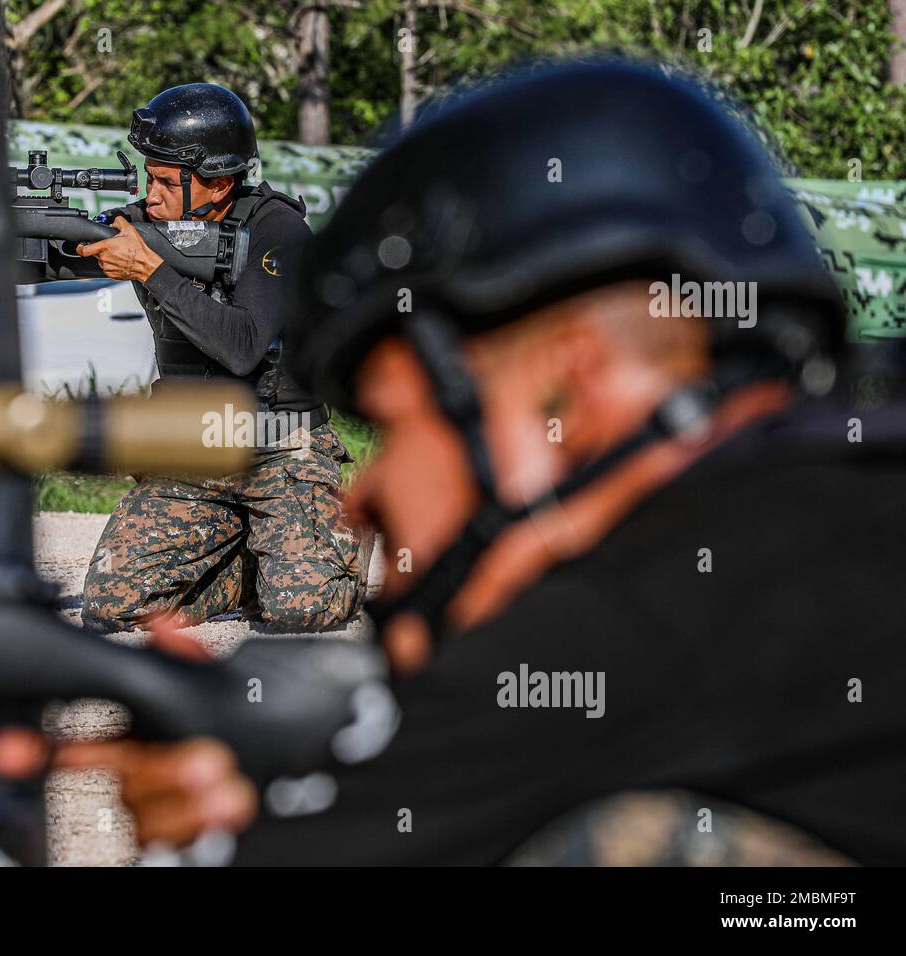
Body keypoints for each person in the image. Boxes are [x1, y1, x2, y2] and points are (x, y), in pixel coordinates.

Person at [50, 60, 906, 864]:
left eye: (395, 423)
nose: (367, 493)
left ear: (573, 392)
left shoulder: (622, 625)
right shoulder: (838, 492)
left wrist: (222, 816)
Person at [76, 82, 368, 634]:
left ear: (219, 181)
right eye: (147, 177)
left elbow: (243, 347)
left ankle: (321, 543)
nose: (151, 194)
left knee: (302, 609)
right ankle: (247, 560)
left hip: (281, 447)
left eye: (165, 182)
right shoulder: (143, 227)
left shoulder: (277, 229)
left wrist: (151, 271)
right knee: (113, 605)